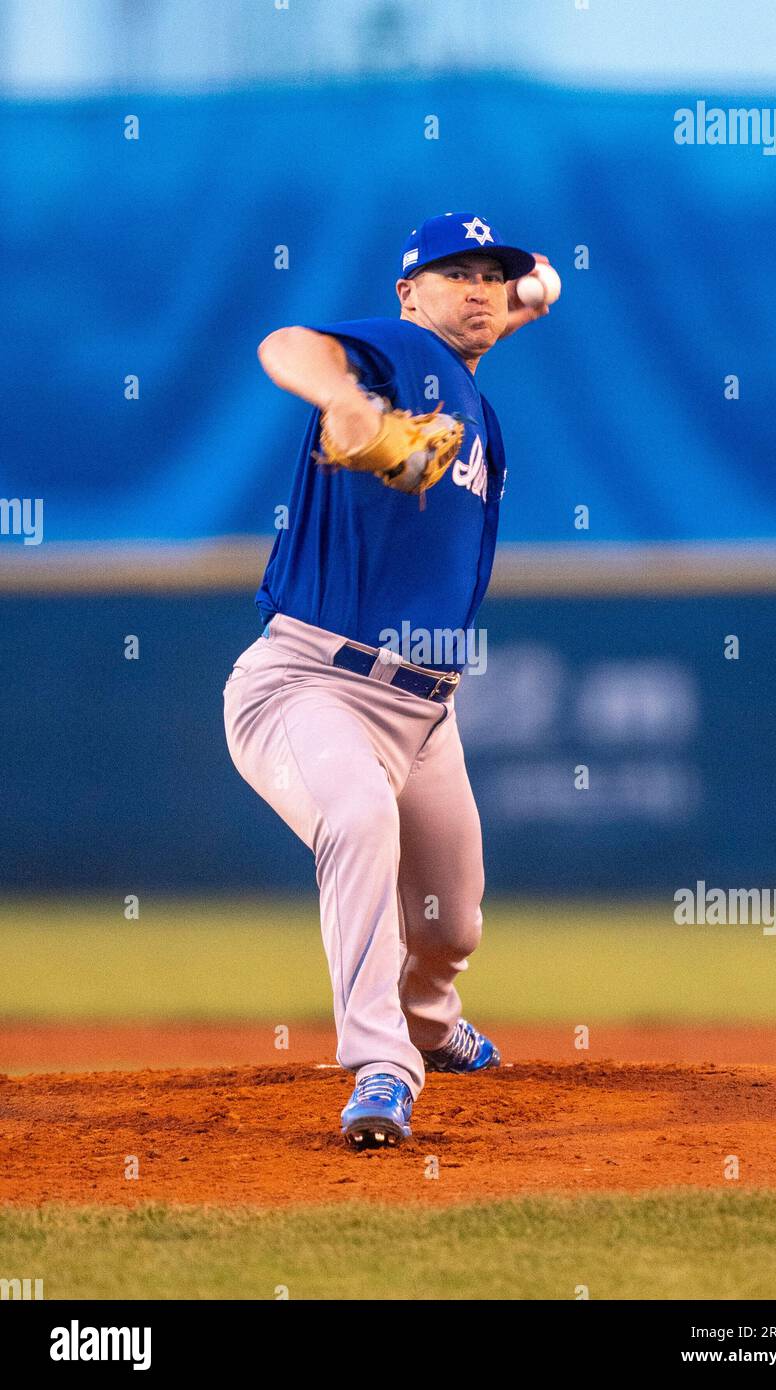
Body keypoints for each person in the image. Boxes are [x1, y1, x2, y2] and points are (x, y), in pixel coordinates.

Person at [223, 212, 551, 1147]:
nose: (480, 287)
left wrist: (526, 298)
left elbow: (523, 299)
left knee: (450, 927)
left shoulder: (470, 404)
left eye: (494, 275)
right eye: (456, 273)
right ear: (408, 293)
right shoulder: (402, 351)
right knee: (357, 819)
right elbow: (286, 343)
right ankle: (381, 1065)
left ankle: (430, 1022)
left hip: (426, 715)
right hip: (309, 686)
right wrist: (347, 402)